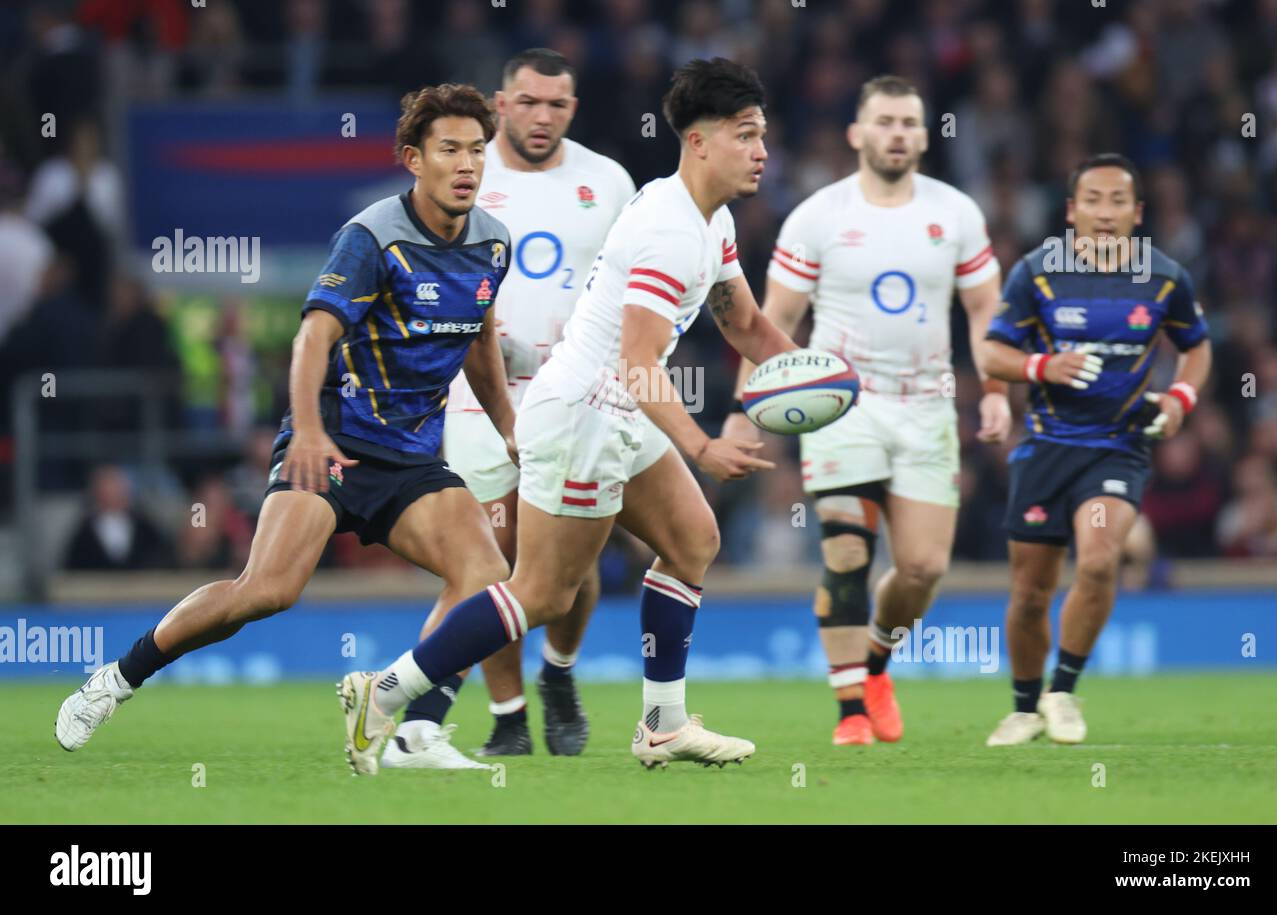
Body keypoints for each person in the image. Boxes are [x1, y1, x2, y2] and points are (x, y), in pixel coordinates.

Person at [339, 57, 800, 774]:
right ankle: (384, 689)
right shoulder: (670, 233)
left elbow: (744, 324)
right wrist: (703, 447)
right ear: (701, 141)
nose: (762, 150)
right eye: (746, 135)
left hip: (617, 409)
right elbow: (640, 360)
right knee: (544, 592)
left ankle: (662, 723)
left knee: (693, 540)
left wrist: (822, 374)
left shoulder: (712, 221)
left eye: (763, 135)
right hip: (584, 412)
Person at [56, 84, 516, 773]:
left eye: (477, 150)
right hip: (334, 436)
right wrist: (306, 429)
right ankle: (117, 677)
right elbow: (312, 337)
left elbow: (477, 339)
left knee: (485, 573)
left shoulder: (493, 242)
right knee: (266, 590)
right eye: (449, 148)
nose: (467, 164)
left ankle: (409, 725)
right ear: (413, 159)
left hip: (413, 456)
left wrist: (508, 425)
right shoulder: (371, 237)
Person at [724, 75, 1010, 746]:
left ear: (923, 133)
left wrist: (996, 388)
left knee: (921, 568)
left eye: (909, 122)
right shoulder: (819, 215)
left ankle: (877, 662)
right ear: (858, 133)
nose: (898, 133)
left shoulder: (957, 213)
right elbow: (775, 319)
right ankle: (850, 709)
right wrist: (742, 409)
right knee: (847, 548)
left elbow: (983, 311)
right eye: (884, 121)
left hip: (927, 403)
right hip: (842, 401)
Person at [397, 49, 636, 762]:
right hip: (477, 392)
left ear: (573, 109)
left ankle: (559, 673)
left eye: (557, 104)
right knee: (492, 557)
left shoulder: (608, 182)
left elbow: (635, 284)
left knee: (569, 565)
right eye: (527, 102)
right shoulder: (467, 172)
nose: (542, 116)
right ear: (500, 104)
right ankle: (507, 714)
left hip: (577, 390)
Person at [981, 153, 1212, 746]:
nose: (1104, 213)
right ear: (1071, 210)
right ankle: (1025, 707)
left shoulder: (1165, 278)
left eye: (1117, 202)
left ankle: (1063, 691)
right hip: (1046, 449)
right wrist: (1043, 364)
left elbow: (1197, 346)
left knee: (1101, 558)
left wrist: (1181, 398)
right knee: (1030, 593)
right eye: (1092, 200)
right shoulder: (1036, 273)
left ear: (1136, 213)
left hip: (1119, 446)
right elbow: (993, 355)